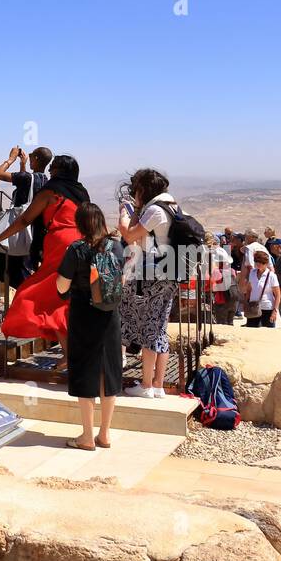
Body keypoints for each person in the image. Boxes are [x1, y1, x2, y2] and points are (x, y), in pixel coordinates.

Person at [0, 155, 90, 373]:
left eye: (53, 168)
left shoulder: (51, 191)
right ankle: (74, 354)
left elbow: (25, 219)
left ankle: (70, 355)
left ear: (59, 171)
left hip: (60, 246)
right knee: (69, 300)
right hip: (82, 245)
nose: (50, 171)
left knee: (44, 297)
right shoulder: (81, 192)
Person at [55, 203, 124, 451]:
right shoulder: (116, 245)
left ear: (80, 224)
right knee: (109, 371)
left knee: (86, 371)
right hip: (110, 316)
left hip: (84, 315)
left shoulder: (76, 249)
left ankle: (86, 436)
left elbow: (62, 286)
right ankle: (104, 434)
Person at [117, 168, 181, 399]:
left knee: (149, 328)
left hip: (152, 274)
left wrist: (125, 213)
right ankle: (158, 385)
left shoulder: (155, 209)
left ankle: (146, 385)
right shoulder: (172, 206)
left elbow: (129, 235)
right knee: (159, 327)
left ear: (142, 189)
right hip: (169, 272)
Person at [0, 145, 53, 313]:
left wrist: (10, 159)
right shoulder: (46, 182)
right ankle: (31, 310)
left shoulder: (27, 178)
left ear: (37, 159)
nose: (30, 157)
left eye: (32, 156)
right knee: (22, 273)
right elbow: (27, 193)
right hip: (31, 236)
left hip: (16, 234)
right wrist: (23, 165)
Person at [241, 249, 280, 327]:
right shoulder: (252, 273)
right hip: (253, 307)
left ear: (266, 263)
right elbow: (249, 289)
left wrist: (275, 311)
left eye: (262, 263)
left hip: (267, 308)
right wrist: (245, 303)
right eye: (257, 262)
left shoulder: (271, 276)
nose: (259, 264)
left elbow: (278, 295)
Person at [205, 232, 235, 325]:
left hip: (214, 281)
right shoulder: (221, 251)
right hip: (221, 281)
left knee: (215, 305)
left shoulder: (210, 251)